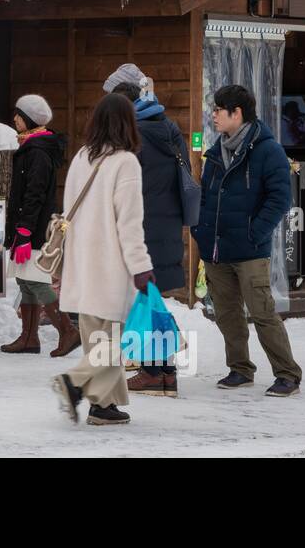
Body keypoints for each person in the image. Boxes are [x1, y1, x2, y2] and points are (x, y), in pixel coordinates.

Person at [50, 94, 154, 426]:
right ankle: (73, 383)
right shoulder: (125, 162)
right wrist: (141, 266)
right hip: (110, 266)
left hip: (82, 263)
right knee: (110, 341)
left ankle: (103, 406)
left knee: (98, 338)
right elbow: (129, 223)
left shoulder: (82, 156)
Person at [192, 84, 302, 398]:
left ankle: (287, 374)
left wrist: (257, 232)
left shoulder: (267, 149)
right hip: (217, 247)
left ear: (236, 113)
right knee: (227, 314)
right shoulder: (217, 150)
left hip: (251, 249)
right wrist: (200, 229)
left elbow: (280, 198)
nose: (213, 115)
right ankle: (240, 369)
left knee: (262, 312)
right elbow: (206, 196)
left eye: (218, 109)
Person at [112, 79, 190, 398]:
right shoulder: (168, 128)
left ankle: (154, 371)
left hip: (143, 227)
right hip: (168, 225)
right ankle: (164, 373)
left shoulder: (136, 136)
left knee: (146, 300)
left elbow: (127, 185)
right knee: (153, 300)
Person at [0, 94, 80, 358]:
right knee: (25, 280)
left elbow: (34, 194)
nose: (14, 119)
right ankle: (29, 337)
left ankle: (67, 329)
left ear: (29, 120)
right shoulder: (31, 147)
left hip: (33, 228)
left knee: (36, 281)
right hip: (27, 225)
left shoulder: (38, 152)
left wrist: (23, 231)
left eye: (19, 115)